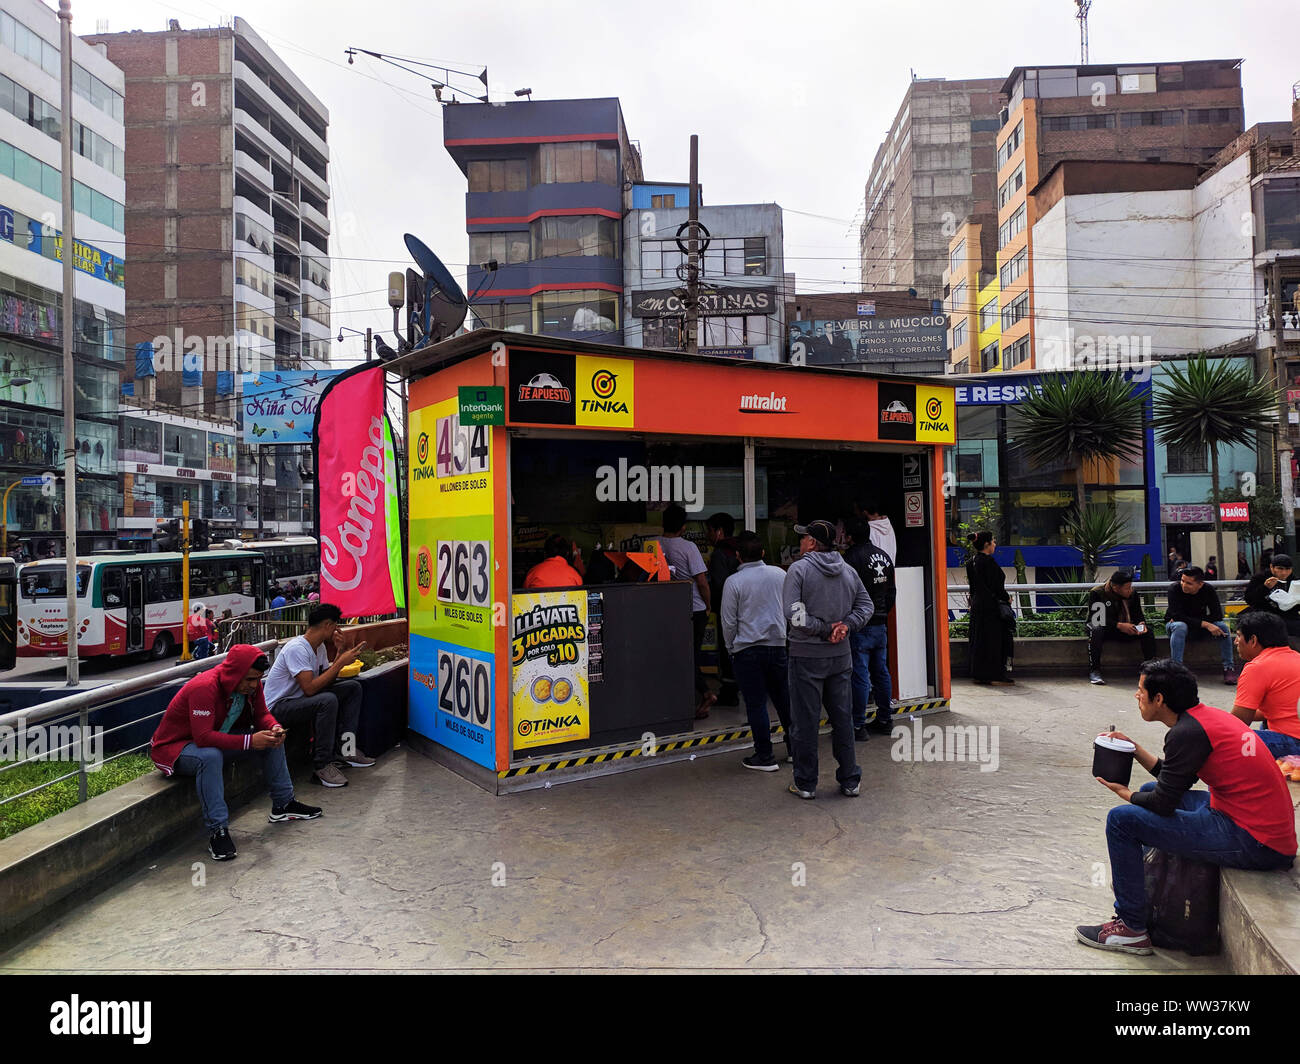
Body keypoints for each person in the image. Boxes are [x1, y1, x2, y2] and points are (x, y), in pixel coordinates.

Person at [1076, 659, 1295, 955]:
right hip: (1251, 822)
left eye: (1140, 690)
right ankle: (1148, 894)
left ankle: (1131, 928)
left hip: (1255, 841)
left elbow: (1163, 804)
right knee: (1148, 790)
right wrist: (1135, 749)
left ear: (1159, 699)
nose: (1136, 696)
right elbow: (1177, 779)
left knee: (1121, 820)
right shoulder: (1205, 719)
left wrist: (1124, 793)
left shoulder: (1186, 733)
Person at [150, 644, 322, 862]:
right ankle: (218, 830)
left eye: (257, 679)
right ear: (234, 674)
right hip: (176, 748)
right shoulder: (204, 687)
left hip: (216, 739)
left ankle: (284, 804)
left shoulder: (252, 684)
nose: (253, 685)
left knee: (269, 739)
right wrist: (250, 741)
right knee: (210, 756)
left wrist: (274, 727)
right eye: (249, 680)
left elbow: (262, 714)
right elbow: (203, 738)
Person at [782, 519, 873, 799]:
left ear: (811, 542)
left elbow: (793, 615)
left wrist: (823, 629)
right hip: (840, 656)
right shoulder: (847, 570)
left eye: (803, 537)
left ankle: (806, 783)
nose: (800, 542)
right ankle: (850, 779)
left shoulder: (798, 570)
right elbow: (866, 605)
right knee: (842, 718)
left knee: (805, 722)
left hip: (806, 656)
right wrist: (845, 626)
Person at [263, 603, 374, 788]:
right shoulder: (297, 648)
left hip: (299, 700)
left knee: (353, 688)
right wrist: (340, 663)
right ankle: (322, 765)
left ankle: (346, 750)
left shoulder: (319, 647)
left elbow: (325, 680)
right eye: (336, 626)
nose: (338, 631)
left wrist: (339, 652)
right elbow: (310, 689)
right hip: (279, 707)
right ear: (327, 626)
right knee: (327, 701)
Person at [721, 530, 792, 771]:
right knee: (784, 700)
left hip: (747, 650)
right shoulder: (780, 574)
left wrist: (731, 647)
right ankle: (796, 748)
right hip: (778, 645)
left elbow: (729, 622)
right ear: (762, 553)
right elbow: (790, 609)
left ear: (738, 556)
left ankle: (765, 756)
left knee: (756, 704)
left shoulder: (733, 582)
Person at [655, 503, 713, 718]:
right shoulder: (688, 547)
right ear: (683, 527)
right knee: (691, 655)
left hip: (665, 609)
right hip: (694, 608)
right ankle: (705, 693)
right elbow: (702, 581)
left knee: (674, 655)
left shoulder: (652, 544)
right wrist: (708, 606)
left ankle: (682, 699)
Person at [845, 518, 895, 739]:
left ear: (849, 537)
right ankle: (885, 719)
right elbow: (891, 592)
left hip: (860, 624)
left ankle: (858, 725)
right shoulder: (883, 556)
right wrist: (883, 613)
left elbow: (846, 594)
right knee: (881, 672)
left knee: (860, 674)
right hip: (880, 623)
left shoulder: (851, 559)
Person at [1231, 611, 1300, 758]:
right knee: (1265, 725)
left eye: (1238, 636)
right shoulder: (1296, 657)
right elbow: (1281, 710)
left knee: (1226, 741)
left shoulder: (1257, 667)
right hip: (1292, 734)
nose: (1236, 641)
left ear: (1253, 640)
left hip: (1293, 742)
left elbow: (1238, 723)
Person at [1164, 566, 1236, 684]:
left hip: (1197, 625)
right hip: (1177, 626)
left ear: (1200, 584)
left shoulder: (1208, 590)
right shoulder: (1174, 589)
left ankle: (1229, 667)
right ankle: (1176, 670)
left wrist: (1201, 623)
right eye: (1182, 580)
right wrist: (1205, 624)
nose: (1184, 585)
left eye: (1189, 583)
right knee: (1180, 626)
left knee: (1222, 627)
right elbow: (1176, 615)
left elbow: (1217, 615)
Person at [1085, 570, 1156, 685]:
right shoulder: (1098, 593)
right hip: (1105, 627)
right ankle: (1095, 670)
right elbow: (1098, 619)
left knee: (1148, 632)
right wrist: (1119, 625)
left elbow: (1138, 614)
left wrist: (1141, 624)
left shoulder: (1132, 594)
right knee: (1096, 630)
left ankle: (1150, 669)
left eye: (1130, 587)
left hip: (1126, 626)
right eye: (1127, 588)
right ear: (1115, 587)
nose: (1130, 590)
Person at [966, 531, 1014, 685]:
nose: (994, 544)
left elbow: (974, 587)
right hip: (991, 608)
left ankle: (980, 673)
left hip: (977, 606)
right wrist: (1007, 598)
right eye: (993, 541)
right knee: (994, 641)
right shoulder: (989, 562)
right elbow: (996, 587)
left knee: (979, 640)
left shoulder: (971, 562)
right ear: (986, 544)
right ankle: (995, 674)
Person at [705, 512, 741, 707]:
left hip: (728, 612)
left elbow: (720, 585)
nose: (708, 536)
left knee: (727, 652)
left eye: (710, 531)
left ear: (719, 531)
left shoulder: (720, 553)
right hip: (744, 610)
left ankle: (729, 692)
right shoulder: (738, 549)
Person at [1244, 553, 1300, 650]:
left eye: (1288, 569)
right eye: (1280, 569)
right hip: (1266, 615)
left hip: (1289, 616)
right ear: (1272, 567)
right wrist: (1265, 588)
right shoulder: (1260, 578)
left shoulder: (1294, 581)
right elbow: (1249, 599)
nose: (1284, 573)